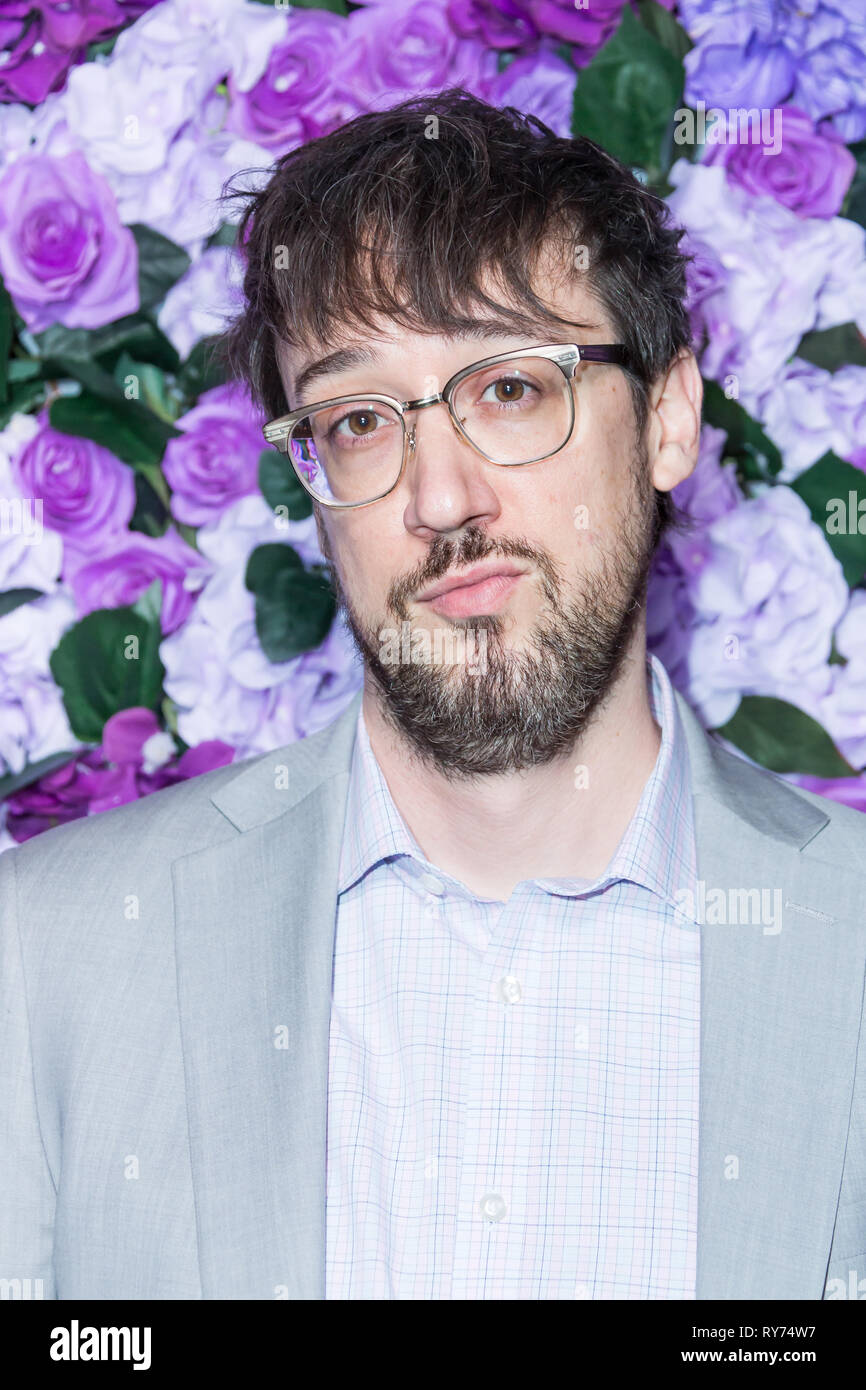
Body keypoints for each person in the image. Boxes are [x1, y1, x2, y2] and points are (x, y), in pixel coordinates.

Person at [2, 90, 864, 1303]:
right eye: (361, 419)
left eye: (511, 387)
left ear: (667, 418)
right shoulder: (51, 951)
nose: (442, 495)